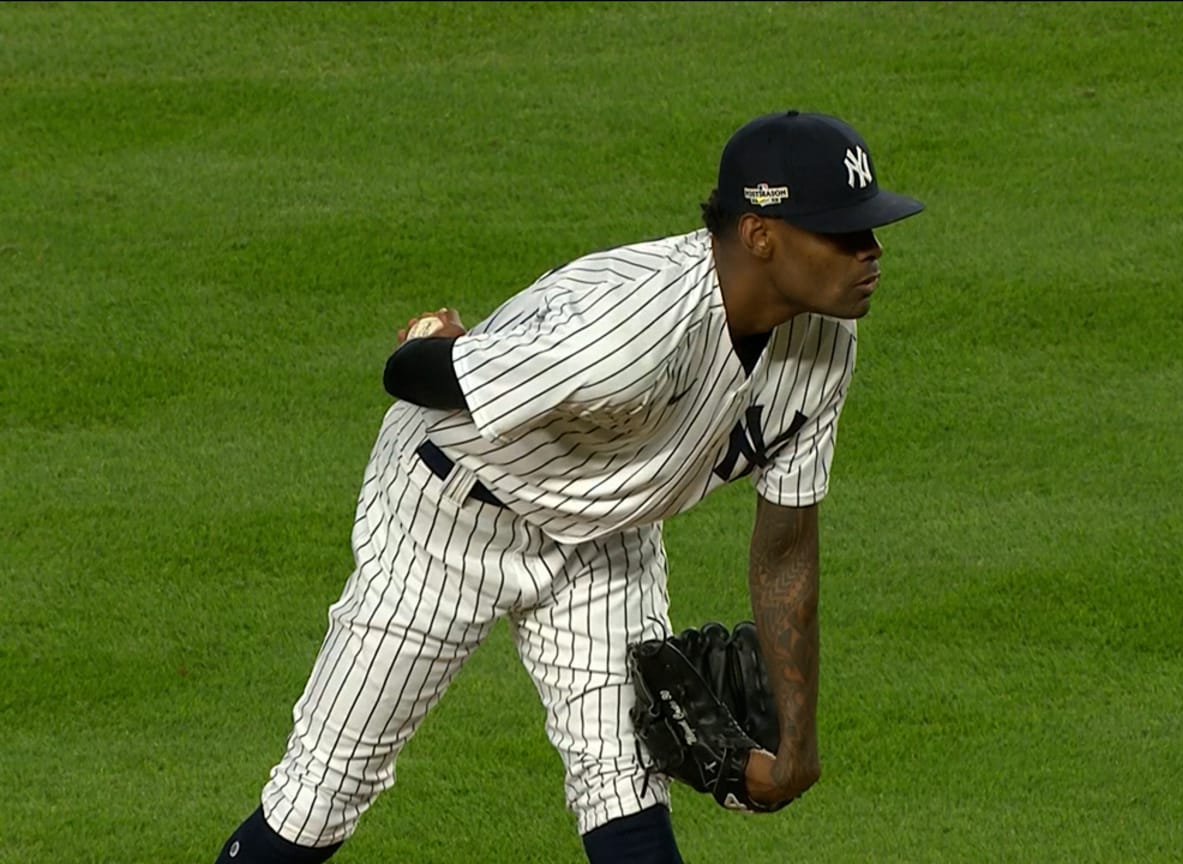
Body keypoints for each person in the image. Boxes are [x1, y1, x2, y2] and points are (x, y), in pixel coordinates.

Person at [212, 109, 924, 863]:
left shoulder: (825, 343)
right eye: (843, 232)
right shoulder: (628, 332)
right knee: (323, 790)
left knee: (623, 782)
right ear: (759, 234)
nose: (871, 250)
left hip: (605, 538)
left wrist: (796, 747)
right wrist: (443, 342)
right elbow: (411, 374)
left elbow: (785, 549)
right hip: (451, 518)